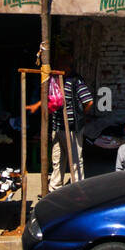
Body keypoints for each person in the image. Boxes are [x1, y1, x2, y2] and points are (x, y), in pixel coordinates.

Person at [24, 52, 94, 190]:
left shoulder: (75, 81)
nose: (57, 67)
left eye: (61, 65)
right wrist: (36, 105)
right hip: (57, 126)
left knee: (75, 160)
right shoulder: (55, 80)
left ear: (67, 67)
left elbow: (89, 102)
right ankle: (55, 187)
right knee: (57, 158)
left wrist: (79, 116)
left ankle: (78, 187)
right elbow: (51, 99)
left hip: (72, 128)